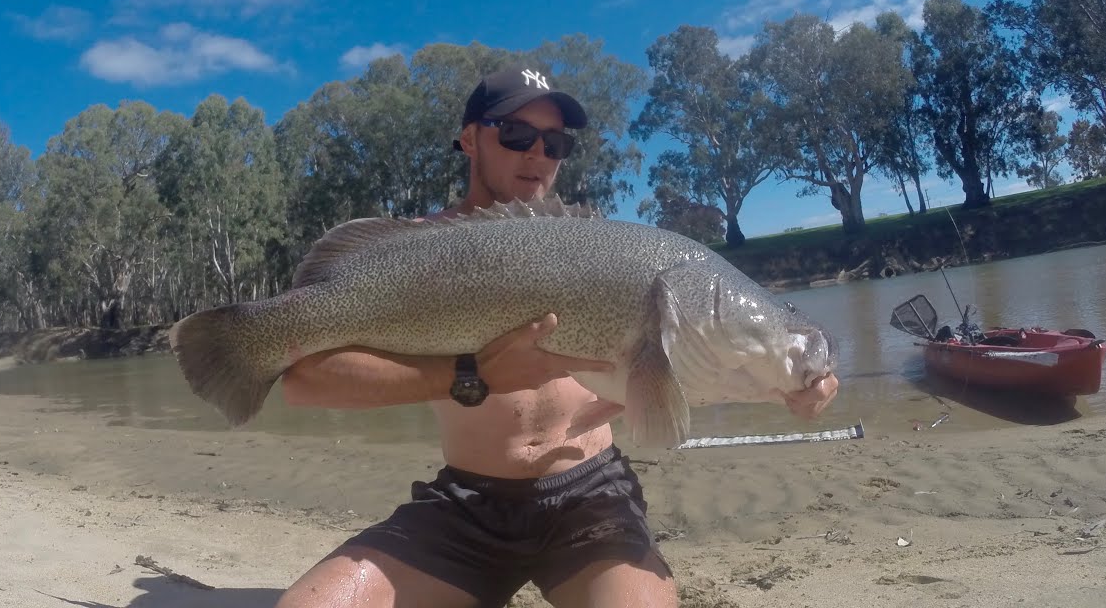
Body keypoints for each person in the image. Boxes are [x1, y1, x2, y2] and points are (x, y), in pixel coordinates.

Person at [272, 67, 840, 608]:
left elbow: (699, 372)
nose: (538, 154)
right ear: (469, 139)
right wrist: (471, 375)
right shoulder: (412, 253)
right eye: (516, 134)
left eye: (555, 143)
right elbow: (304, 383)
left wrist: (793, 388)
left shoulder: (603, 245)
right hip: (467, 505)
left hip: (590, 497)